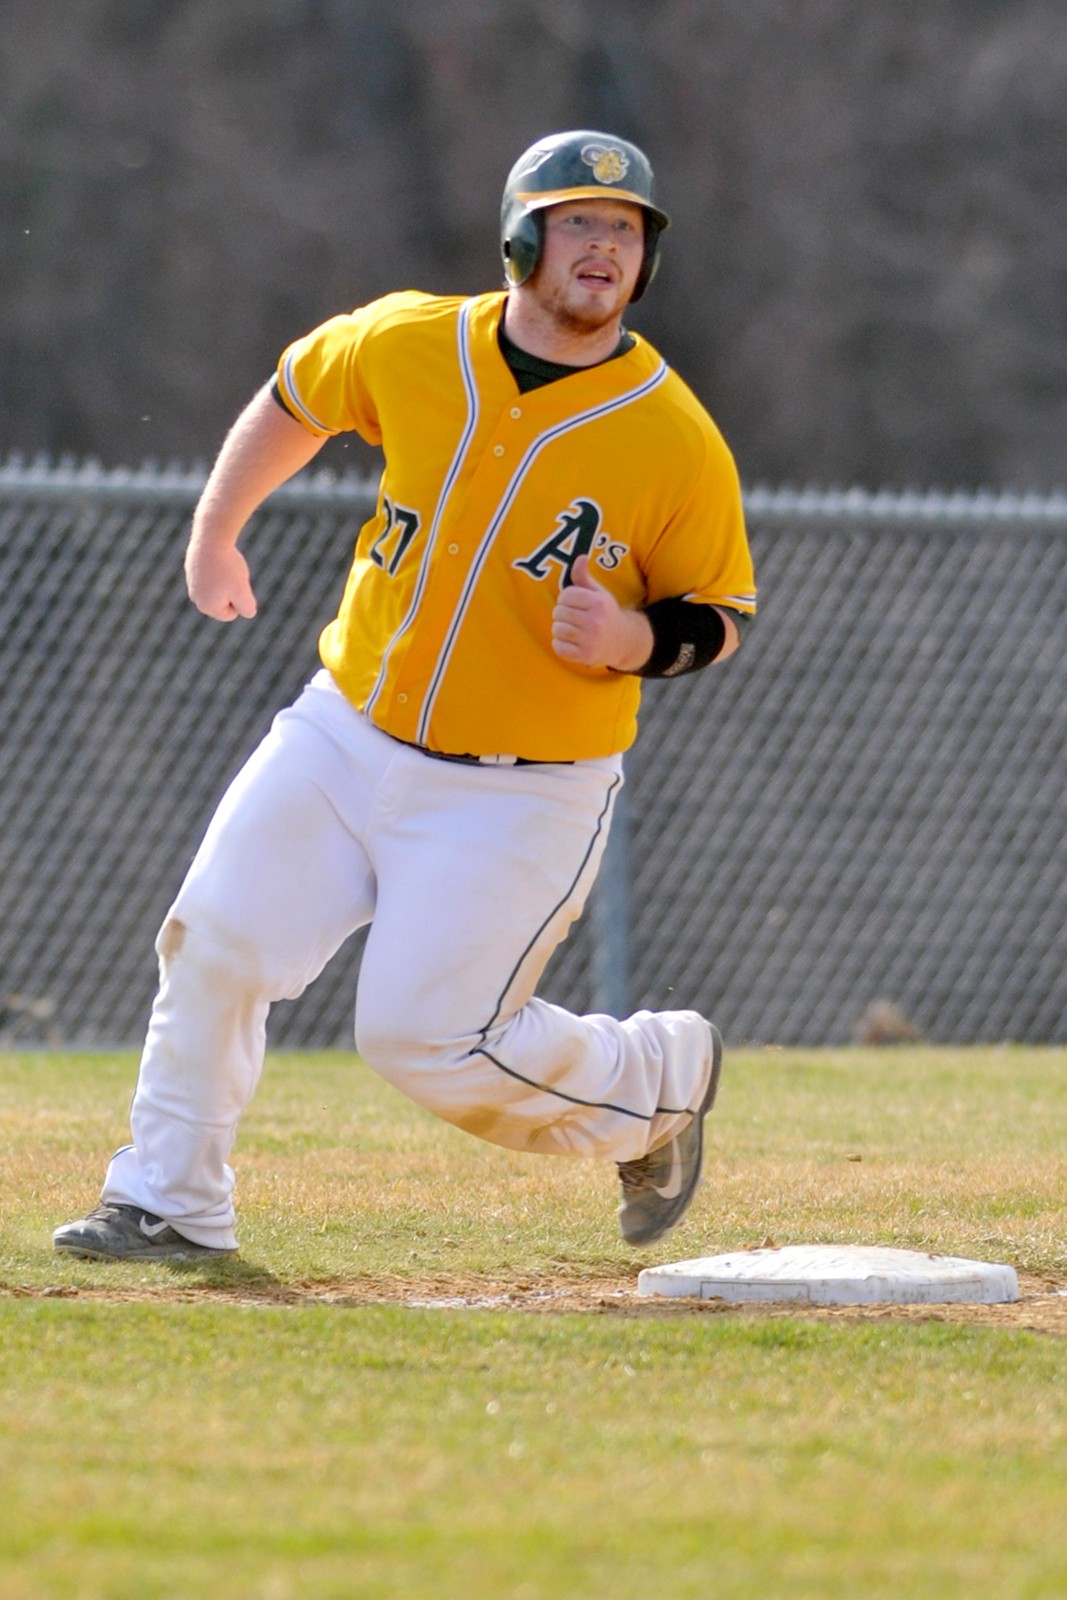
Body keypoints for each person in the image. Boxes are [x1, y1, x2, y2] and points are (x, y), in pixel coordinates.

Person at [54, 129, 757, 1263]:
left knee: (422, 1038)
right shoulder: (414, 339)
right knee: (215, 941)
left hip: (519, 791)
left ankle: (658, 1077)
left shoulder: (672, 437)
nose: (602, 247)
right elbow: (296, 394)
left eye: (624, 231)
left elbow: (718, 615)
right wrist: (215, 530)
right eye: (577, 220)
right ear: (521, 237)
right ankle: (169, 1200)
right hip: (345, 731)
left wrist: (633, 633)